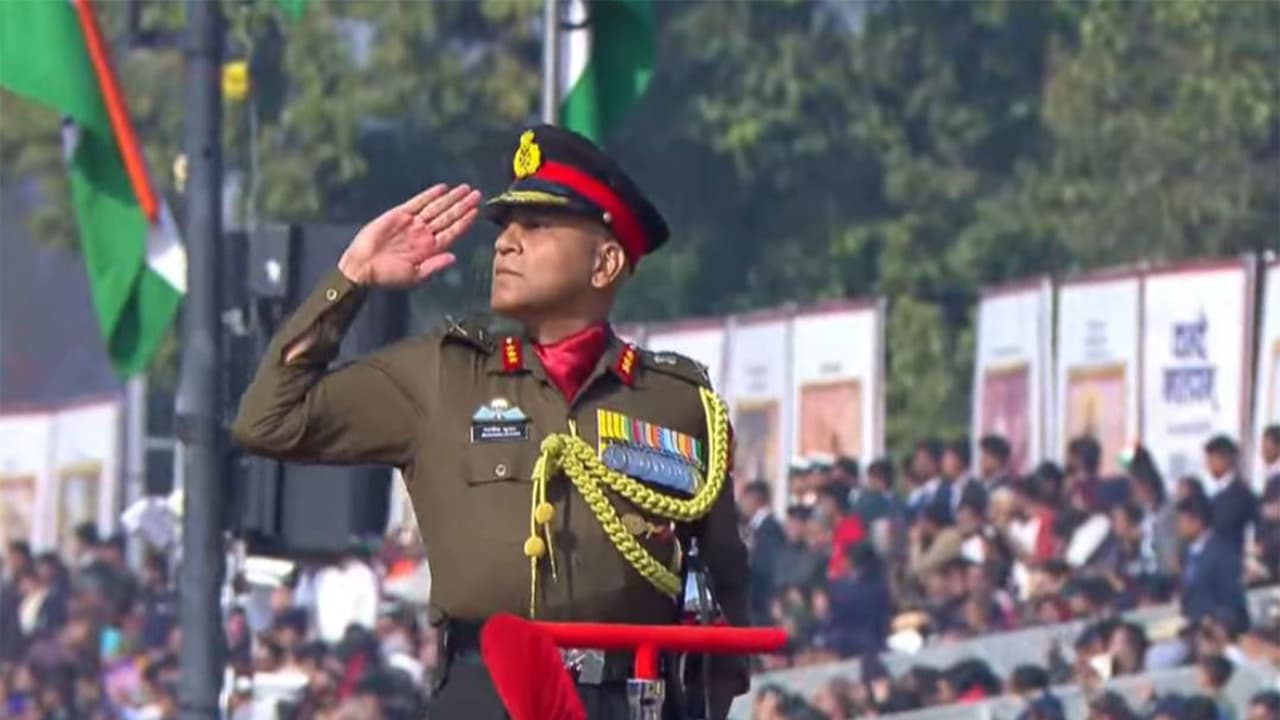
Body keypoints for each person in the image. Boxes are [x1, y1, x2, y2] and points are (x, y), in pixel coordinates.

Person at [232, 124, 748, 718]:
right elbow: (269, 420)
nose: (505, 244)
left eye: (536, 226)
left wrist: (706, 705)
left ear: (605, 262)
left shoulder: (677, 401)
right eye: (505, 227)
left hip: (628, 700)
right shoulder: (444, 375)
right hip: (485, 697)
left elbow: (726, 583)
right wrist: (351, 278)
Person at [1175, 495, 1248, 632]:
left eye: (1182, 520)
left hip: (1220, 629)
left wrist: (1214, 621)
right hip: (1195, 627)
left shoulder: (1223, 551)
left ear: (1197, 521)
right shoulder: (1187, 553)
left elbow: (1231, 597)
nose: (1179, 526)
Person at [738, 480, 785, 626]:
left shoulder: (769, 529)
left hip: (764, 602)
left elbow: (769, 567)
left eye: (743, 499)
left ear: (754, 499)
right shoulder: (759, 528)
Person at [1202, 435, 1258, 554]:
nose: (1208, 465)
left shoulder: (1239, 493)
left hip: (1229, 557)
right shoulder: (1219, 492)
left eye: (1211, 460)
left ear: (1226, 459)